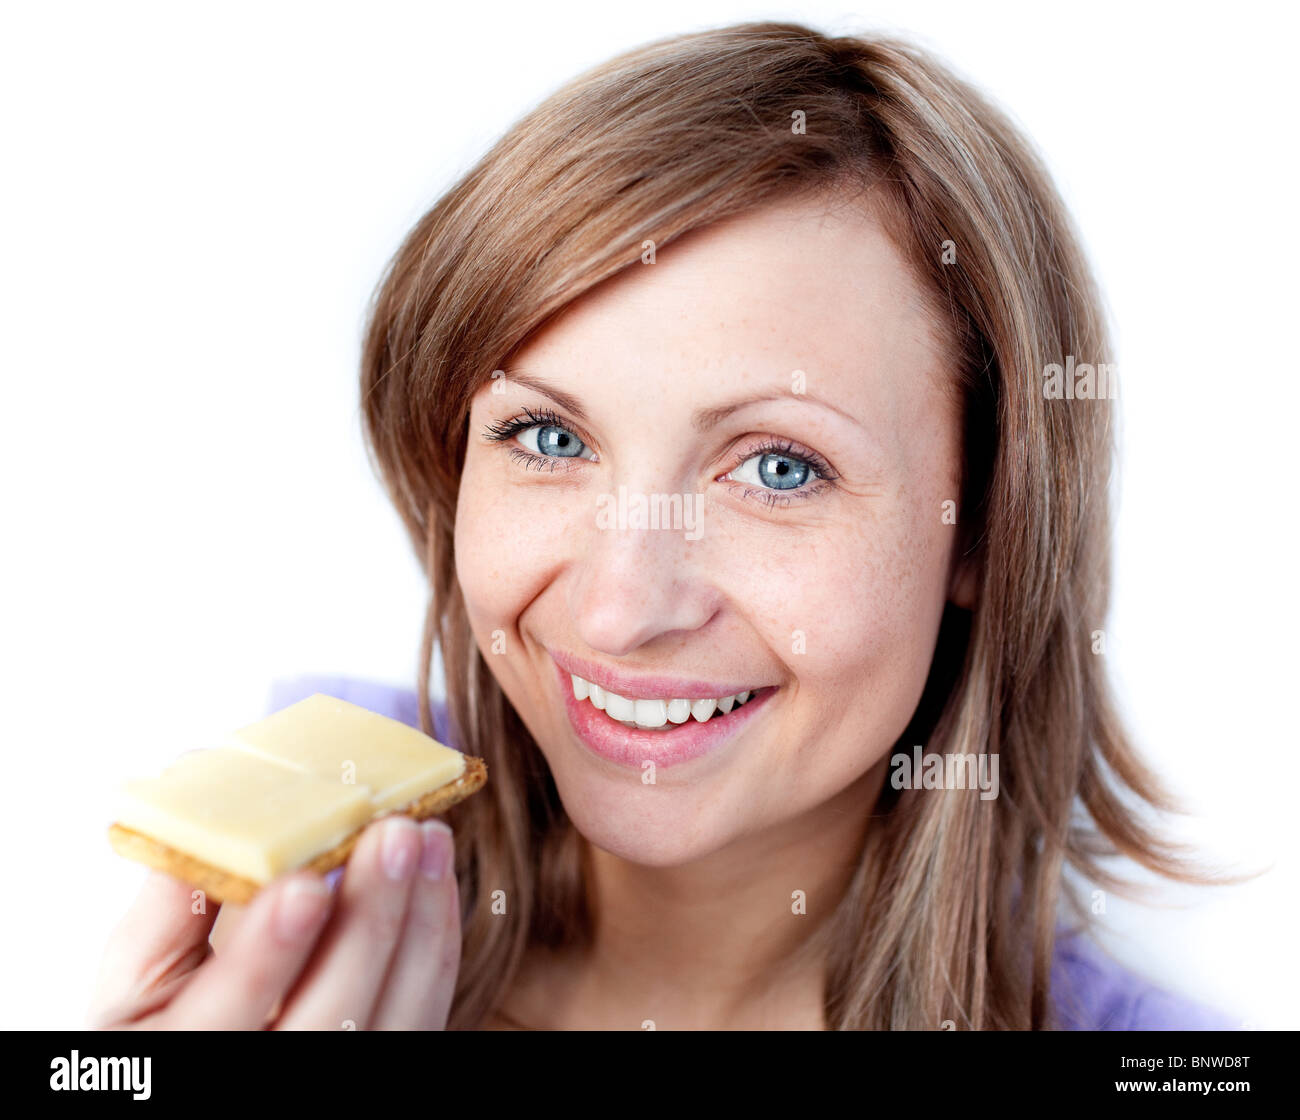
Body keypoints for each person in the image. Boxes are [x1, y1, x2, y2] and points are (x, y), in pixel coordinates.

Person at [90, 21, 1238, 1030]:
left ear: (985, 524)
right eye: (548, 438)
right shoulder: (266, 907)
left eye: (780, 467)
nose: (617, 609)